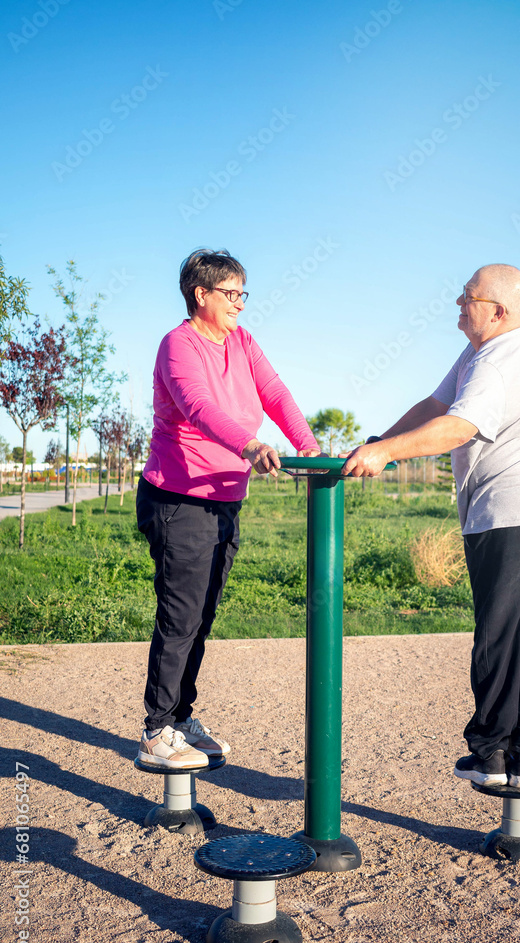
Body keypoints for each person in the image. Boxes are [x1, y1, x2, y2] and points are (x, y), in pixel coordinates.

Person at [341, 264, 520, 788]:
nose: (457, 302)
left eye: (467, 297)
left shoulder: (496, 364)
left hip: (511, 512)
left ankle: (493, 753)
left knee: (498, 633)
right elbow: (435, 404)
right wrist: (379, 440)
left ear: (497, 311)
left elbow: (457, 426)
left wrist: (384, 454)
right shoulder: (486, 352)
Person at [136, 249, 321, 768]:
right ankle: (156, 727)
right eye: (232, 293)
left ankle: (179, 718)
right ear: (202, 294)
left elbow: (275, 392)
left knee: (203, 614)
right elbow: (198, 405)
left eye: (243, 293)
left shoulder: (240, 341)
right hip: (180, 499)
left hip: (223, 502)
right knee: (180, 616)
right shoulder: (179, 344)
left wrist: (305, 446)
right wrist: (248, 444)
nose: (241, 303)